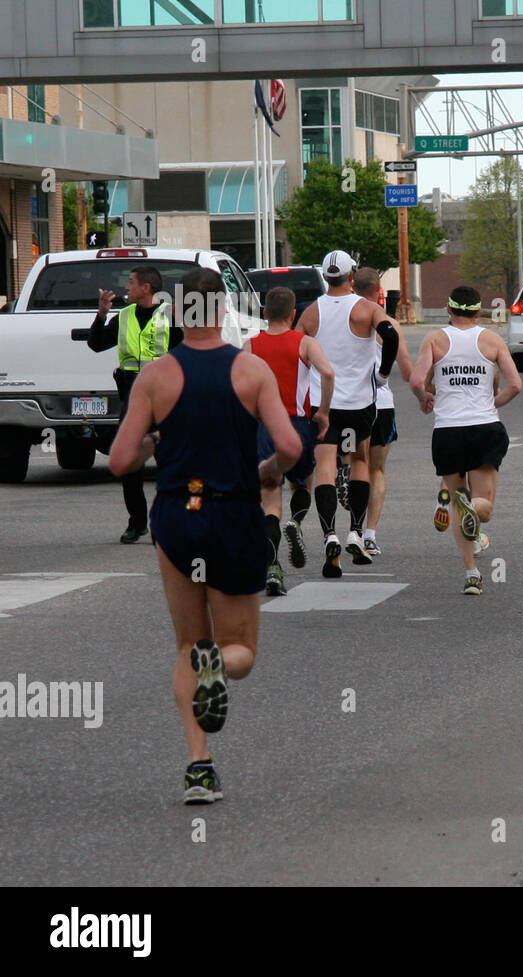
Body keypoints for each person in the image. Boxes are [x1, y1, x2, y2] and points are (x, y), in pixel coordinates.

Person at [108, 268, 301, 805]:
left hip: (177, 515)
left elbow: (121, 460)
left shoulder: (156, 375)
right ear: (220, 310)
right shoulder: (251, 370)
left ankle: (199, 766)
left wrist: (152, 443)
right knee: (239, 650)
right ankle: (218, 661)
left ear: (178, 311)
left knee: (187, 644)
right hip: (234, 513)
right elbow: (290, 446)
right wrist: (269, 469)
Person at [411, 286, 522, 596]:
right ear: (477, 311)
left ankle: (471, 573)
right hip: (485, 426)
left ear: (449, 309)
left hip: (447, 430)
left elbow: (417, 379)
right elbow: (515, 384)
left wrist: (424, 398)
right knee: (483, 507)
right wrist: (493, 403)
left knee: (457, 502)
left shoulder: (434, 339)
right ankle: (472, 505)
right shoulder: (492, 340)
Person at [297, 250, 400, 577]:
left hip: (323, 404)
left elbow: (296, 350)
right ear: (351, 276)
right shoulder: (367, 308)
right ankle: (356, 530)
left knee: (325, 467)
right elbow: (393, 335)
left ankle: (329, 534)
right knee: (359, 461)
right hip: (359, 402)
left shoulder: (312, 312)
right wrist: (383, 373)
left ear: (326, 277)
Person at [245, 286, 334, 596]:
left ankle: (272, 567)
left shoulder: (250, 345)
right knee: (303, 483)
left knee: (270, 498)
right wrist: (322, 412)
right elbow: (329, 373)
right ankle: (296, 521)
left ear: (265, 313)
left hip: (265, 427)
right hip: (297, 424)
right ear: (293, 314)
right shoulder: (305, 343)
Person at [85, 266, 182, 543]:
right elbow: (96, 344)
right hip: (133, 398)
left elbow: (184, 357)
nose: (126, 287)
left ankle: (168, 523)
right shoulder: (123, 316)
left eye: (131, 282)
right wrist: (102, 313)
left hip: (164, 398)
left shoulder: (170, 316)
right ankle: (137, 523)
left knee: (169, 465)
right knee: (130, 464)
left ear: (147, 288)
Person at [353, 267, 414, 557]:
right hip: (383, 402)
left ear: (352, 287)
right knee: (377, 469)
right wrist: (424, 391)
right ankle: (370, 534)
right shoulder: (390, 323)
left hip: (352, 402)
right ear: (379, 291)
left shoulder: (345, 321)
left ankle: (352, 527)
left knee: (356, 463)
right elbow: (407, 370)